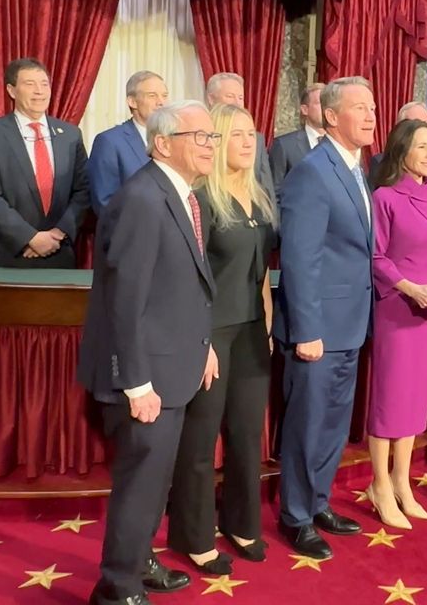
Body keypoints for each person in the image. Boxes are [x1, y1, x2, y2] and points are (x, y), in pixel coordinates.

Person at [77, 100, 220, 605]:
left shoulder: (181, 195)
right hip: (146, 377)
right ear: (163, 144)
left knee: (156, 481)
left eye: (212, 137)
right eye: (200, 136)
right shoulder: (141, 198)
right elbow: (125, 298)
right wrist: (136, 383)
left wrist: (203, 346)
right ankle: (116, 587)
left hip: (175, 364)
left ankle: (139, 561)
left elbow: (183, 288)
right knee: (140, 485)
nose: (211, 145)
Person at [168, 104, 276, 574]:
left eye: (252, 135)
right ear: (216, 142)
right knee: (200, 436)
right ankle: (193, 534)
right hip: (210, 333)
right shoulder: (201, 200)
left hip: (251, 331)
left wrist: (266, 326)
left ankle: (241, 522)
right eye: (237, 135)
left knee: (247, 434)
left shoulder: (258, 198)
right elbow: (187, 280)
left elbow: (261, 275)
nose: (248, 143)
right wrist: (200, 341)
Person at [272, 76, 376, 560]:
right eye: (361, 107)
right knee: (307, 425)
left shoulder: (356, 168)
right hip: (317, 330)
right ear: (331, 117)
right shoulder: (313, 172)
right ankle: (294, 516)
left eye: (372, 106)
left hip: (350, 323)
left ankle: (318, 503)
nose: (372, 115)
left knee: (333, 423)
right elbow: (300, 258)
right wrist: (307, 330)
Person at [367, 119, 427, 530]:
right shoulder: (385, 197)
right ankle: (379, 484)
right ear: (401, 150)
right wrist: (408, 287)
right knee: (390, 402)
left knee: (414, 402)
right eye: (421, 145)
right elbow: (376, 257)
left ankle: (402, 483)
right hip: (397, 310)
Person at [0, 58, 90, 267]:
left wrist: (59, 232)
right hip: (7, 254)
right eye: (29, 84)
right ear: (11, 90)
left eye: (44, 84)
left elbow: (83, 189)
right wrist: (30, 238)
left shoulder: (70, 135)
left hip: (59, 251)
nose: (39, 91)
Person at [88, 71, 168, 216]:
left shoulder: (173, 139)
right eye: (152, 95)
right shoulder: (109, 142)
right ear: (132, 102)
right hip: (132, 228)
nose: (161, 102)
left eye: (164, 95)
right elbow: (105, 204)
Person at [206, 72, 275, 205]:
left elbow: (266, 186)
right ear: (211, 99)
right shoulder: (200, 137)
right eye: (230, 96)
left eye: (240, 97)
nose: (237, 103)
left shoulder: (257, 139)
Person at [268, 82, 325, 200]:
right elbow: (273, 193)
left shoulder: (342, 144)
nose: (326, 107)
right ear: (305, 109)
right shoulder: (284, 145)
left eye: (328, 102)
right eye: (320, 103)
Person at [368, 101, 427, 174]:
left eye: (426, 124)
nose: (421, 129)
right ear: (400, 127)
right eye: (414, 124)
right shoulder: (380, 163)